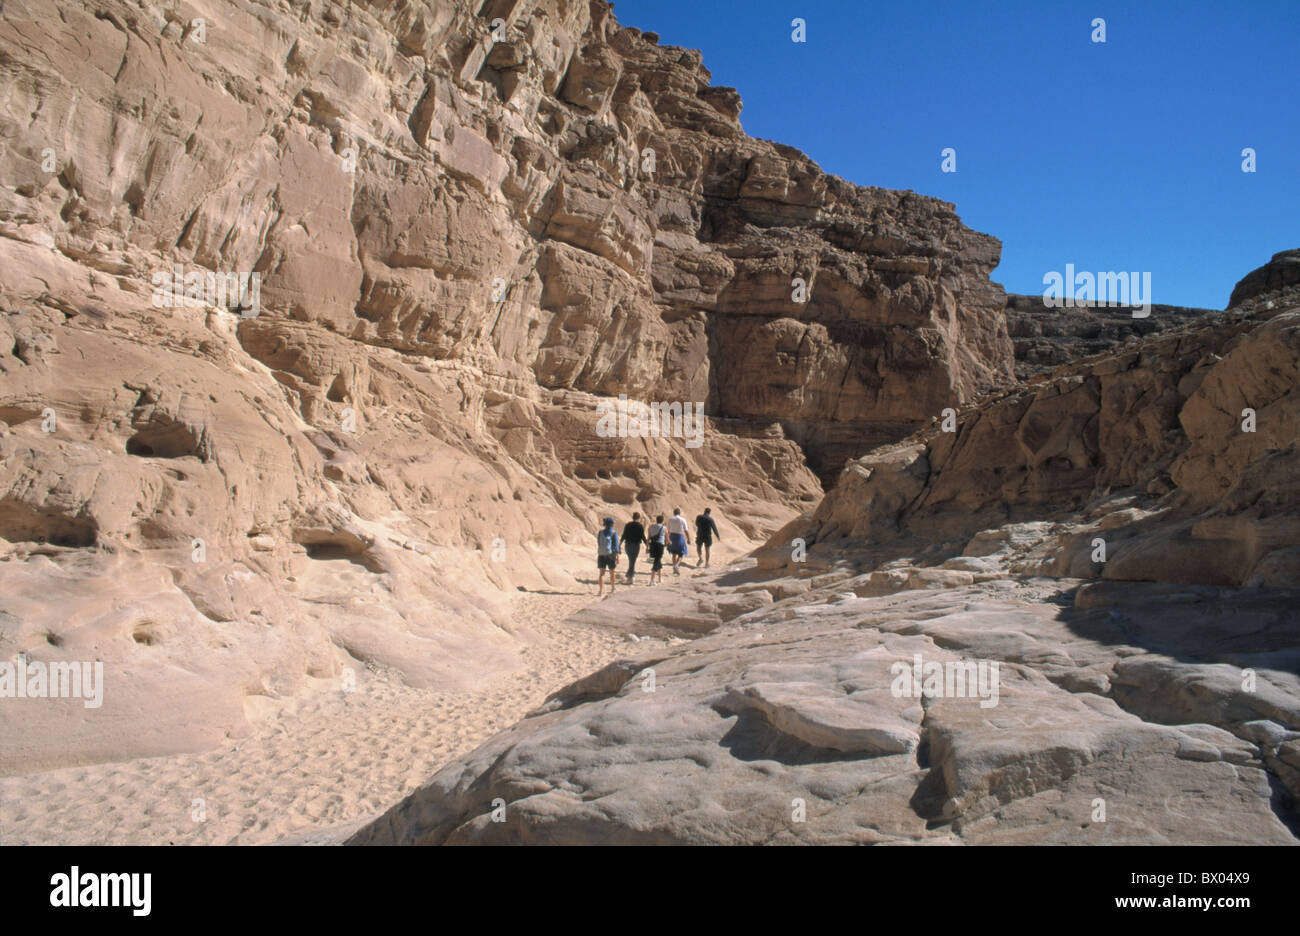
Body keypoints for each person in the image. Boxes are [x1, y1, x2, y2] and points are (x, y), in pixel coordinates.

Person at [595, 516, 620, 596]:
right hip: (611, 555)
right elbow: (616, 546)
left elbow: (598, 542)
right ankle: (613, 589)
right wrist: (617, 556)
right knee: (612, 572)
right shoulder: (613, 533)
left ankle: (601, 590)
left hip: (601, 554)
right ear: (612, 524)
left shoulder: (600, 532)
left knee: (601, 573)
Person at [622, 512, 646, 584]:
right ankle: (630, 577)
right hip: (636, 545)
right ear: (639, 518)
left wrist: (620, 543)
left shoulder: (628, 525)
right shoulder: (640, 526)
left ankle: (629, 575)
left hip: (628, 545)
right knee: (633, 560)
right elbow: (643, 537)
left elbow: (624, 535)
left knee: (631, 560)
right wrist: (647, 545)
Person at [666, 507, 690, 576]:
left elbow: (667, 530)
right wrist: (688, 538)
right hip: (679, 537)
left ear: (674, 513)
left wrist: (667, 539)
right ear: (679, 513)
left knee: (673, 553)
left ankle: (674, 567)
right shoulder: (682, 519)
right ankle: (676, 565)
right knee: (681, 553)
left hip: (672, 537)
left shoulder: (670, 519)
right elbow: (686, 530)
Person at [646, 514, 667, 585]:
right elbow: (667, 539)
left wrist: (647, 547)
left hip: (652, 545)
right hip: (660, 546)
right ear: (662, 521)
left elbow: (648, 538)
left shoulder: (651, 527)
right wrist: (669, 543)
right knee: (657, 561)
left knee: (658, 560)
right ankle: (652, 580)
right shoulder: (664, 528)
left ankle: (660, 578)